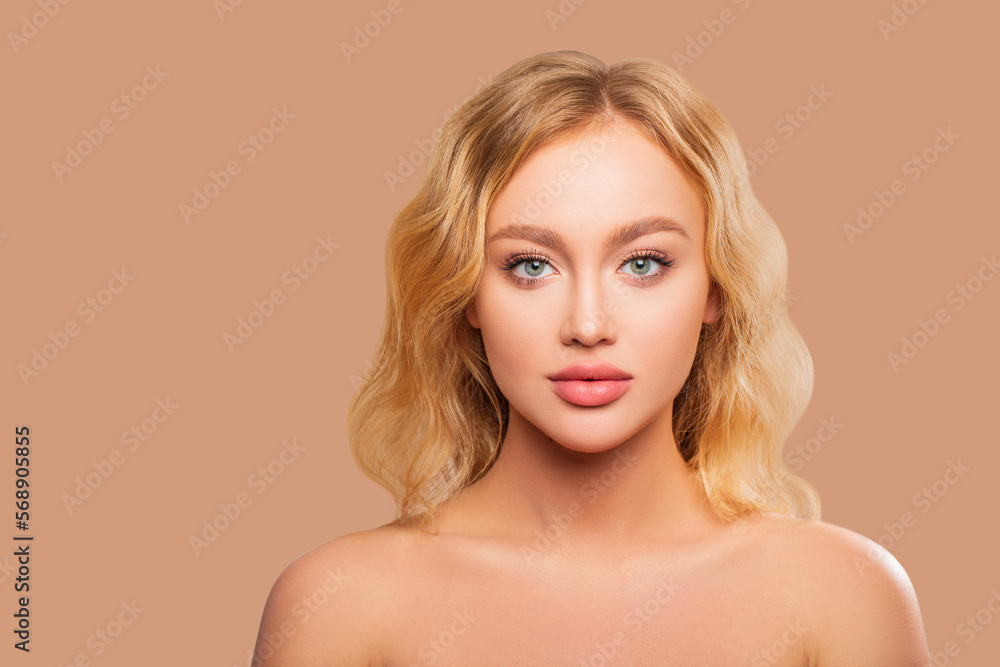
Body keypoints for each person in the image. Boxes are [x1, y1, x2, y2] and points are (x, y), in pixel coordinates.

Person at [252, 50, 930, 665]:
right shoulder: (340, 605)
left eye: (643, 262)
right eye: (529, 265)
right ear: (465, 294)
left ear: (715, 288)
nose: (586, 324)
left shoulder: (843, 595)